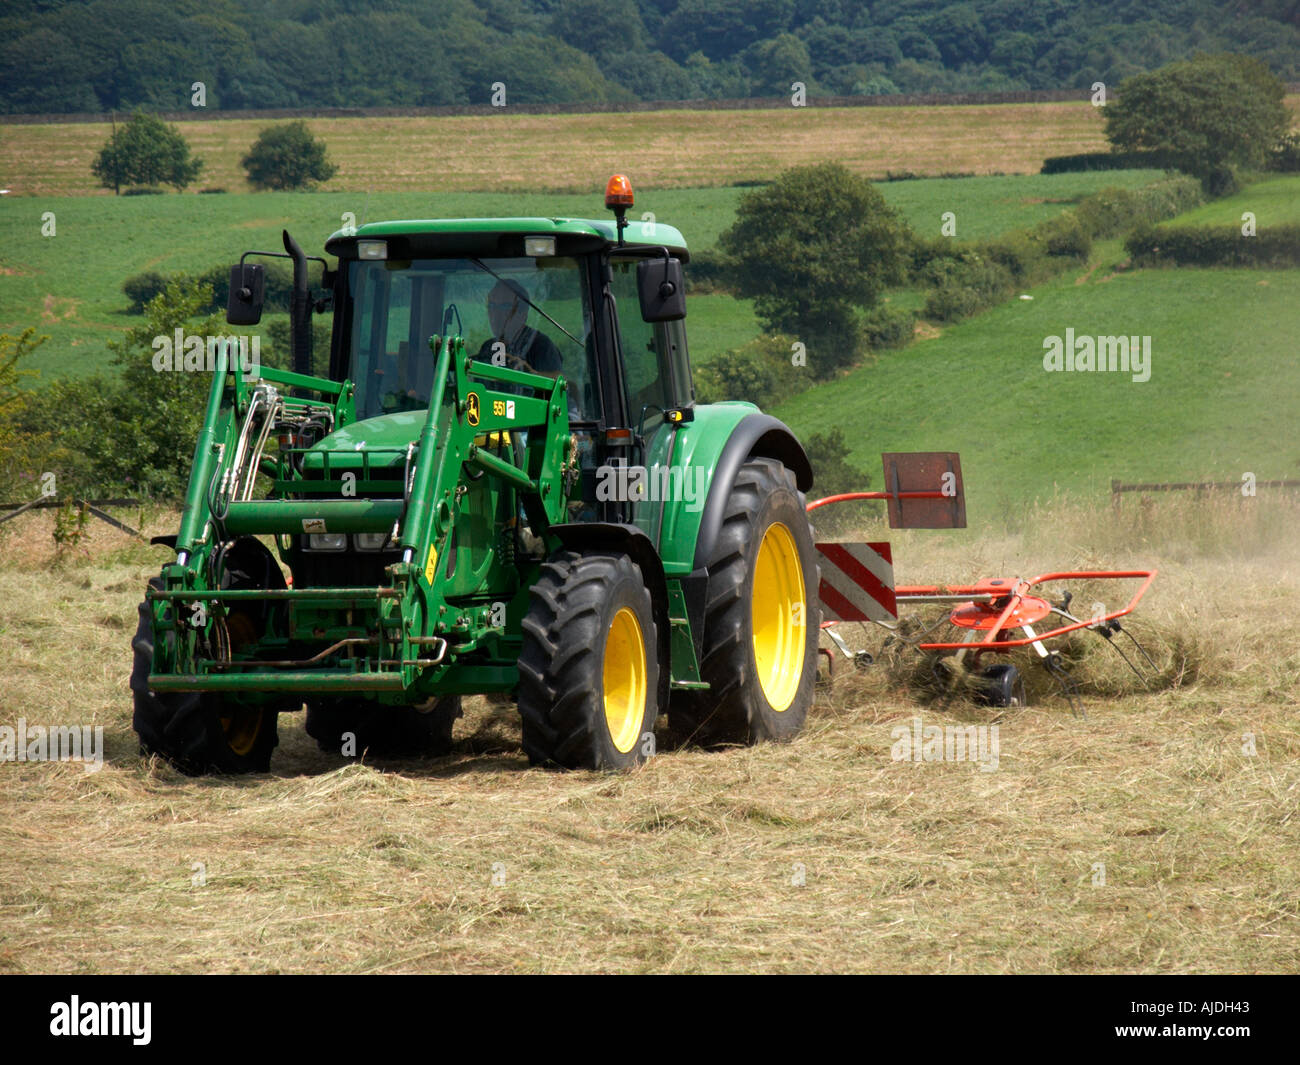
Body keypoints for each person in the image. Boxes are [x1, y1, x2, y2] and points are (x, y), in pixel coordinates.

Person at [474, 278, 563, 379]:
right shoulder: (488, 347)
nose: (495, 314)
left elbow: (561, 383)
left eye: (505, 307)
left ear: (522, 313)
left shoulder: (540, 345)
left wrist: (531, 375)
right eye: (492, 306)